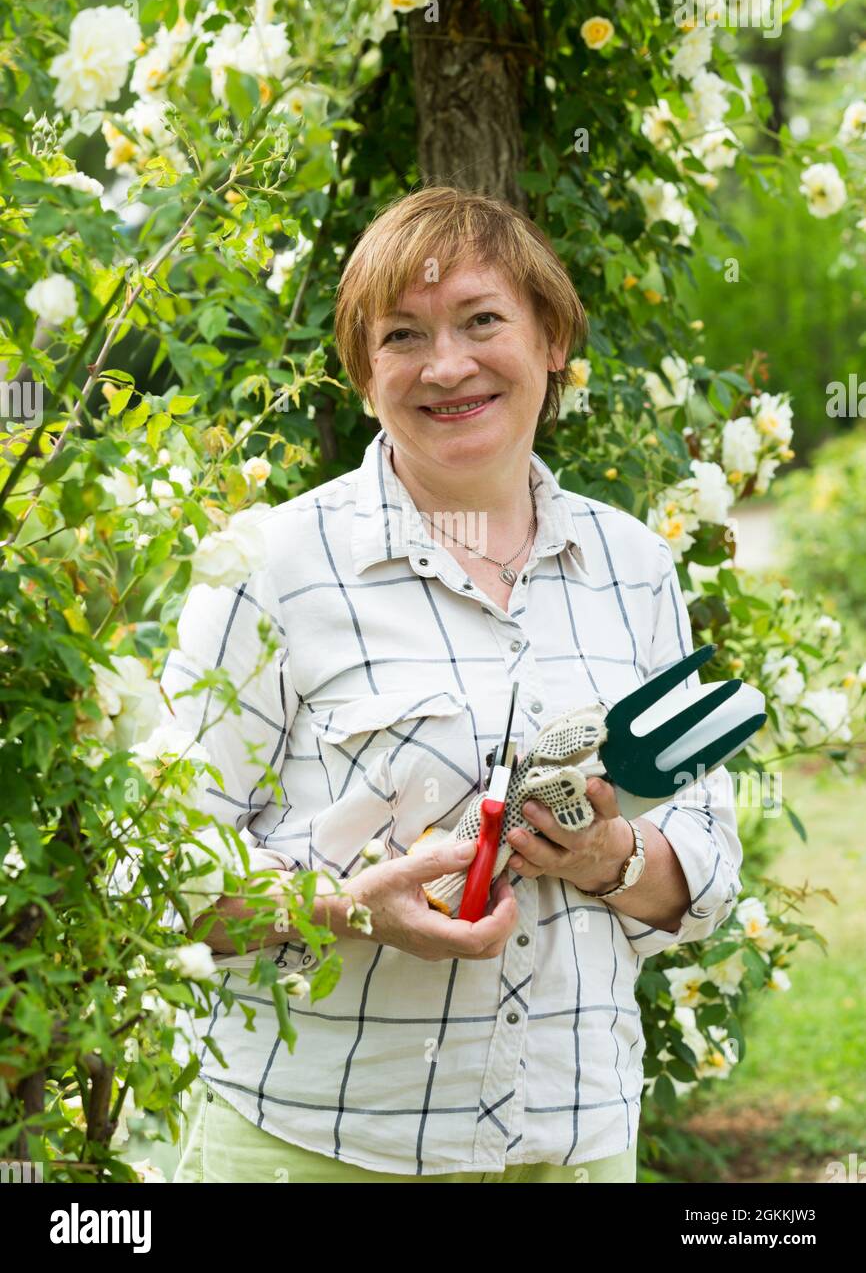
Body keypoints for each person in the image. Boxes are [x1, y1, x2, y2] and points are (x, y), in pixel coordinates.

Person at [166, 185, 743, 1183]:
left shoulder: (632, 564)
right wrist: (343, 905)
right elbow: (164, 871)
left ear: (551, 338)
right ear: (362, 373)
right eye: (401, 336)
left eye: (482, 320)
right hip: (322, 1148)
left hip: (571, 1146)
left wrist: (605, 853)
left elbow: (702, 876)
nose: (446, 366)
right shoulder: (272, 565)